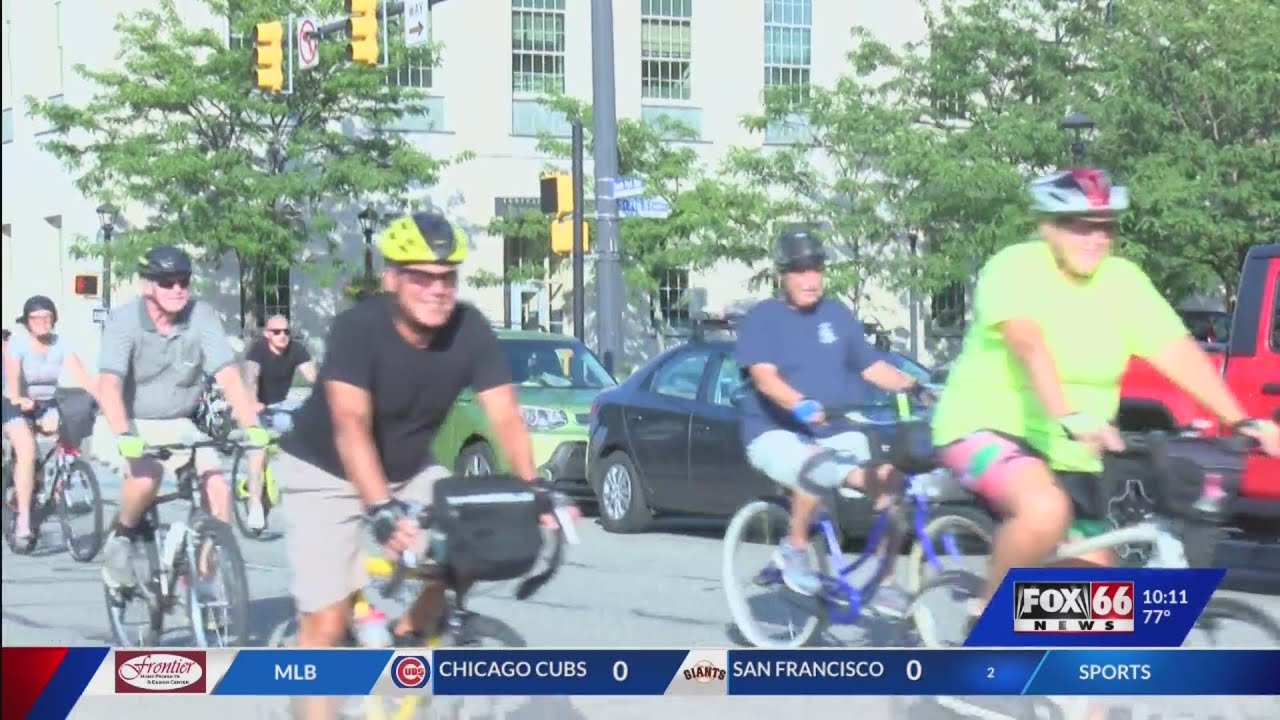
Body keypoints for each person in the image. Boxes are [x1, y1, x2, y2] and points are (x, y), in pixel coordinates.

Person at [930, 167, 1280, 632]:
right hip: (985, 427)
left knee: (1096, 607)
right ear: (1047, 225)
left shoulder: (1124, 281)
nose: (1095, 238)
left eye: (1106, 226)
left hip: (1072, 451)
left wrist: (1241, 422)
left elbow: (1179, 354)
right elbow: (1029, 344)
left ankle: (1077, 699)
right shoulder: (1014, 267)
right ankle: (984, 622)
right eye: (1079, 225)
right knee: (1043, 511)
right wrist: (1066, 413)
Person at [276, 211, 574, 719]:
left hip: (411, 469)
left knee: (474, 540)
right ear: (393, 278)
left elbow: (505, 415)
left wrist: (533, 490)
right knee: (325, 623)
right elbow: (351, 427)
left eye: (447, 277)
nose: (438, 290)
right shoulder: (358, 329)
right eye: (422, 277)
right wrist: (382, 511)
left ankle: (408, 635)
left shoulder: (470, 329)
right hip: (324, 473)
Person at [736, 225, 929, 611]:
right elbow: (764, 377)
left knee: (894, 482)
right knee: (817, 464)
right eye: (799, 270)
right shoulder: (764, 319)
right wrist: (800, 404)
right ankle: (794, 549)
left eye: (816, 269)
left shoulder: (837, 316)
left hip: (835, 429)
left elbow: (872, 367)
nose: (810, 278)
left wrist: (916, 387)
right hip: (774, 433)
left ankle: (885, 580)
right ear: (783, 276)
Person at [93, 245, 270, 591]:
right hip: (127, 422)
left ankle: (201, 588)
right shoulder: (124, 321)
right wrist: (125, 437)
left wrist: (252, 427)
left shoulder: (201, 316)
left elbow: (228, 375)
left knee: (218, 492)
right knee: (147, 478)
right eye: (167, 282)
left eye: (183, 281)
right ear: (147, 286)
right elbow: (109, 386)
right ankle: (122, 537)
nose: (177, 289)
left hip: (180, 423)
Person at [4, 296, 100, 543]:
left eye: (48, 317)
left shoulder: (61, 345)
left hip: (47, 403)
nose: (43, 322)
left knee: (70, 430)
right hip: (16, 403)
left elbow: (82, 376)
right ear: (27, 322)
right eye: (36, 317)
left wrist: (102, 396)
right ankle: (24, 520)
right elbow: (13, 379)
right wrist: (19, 398)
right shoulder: (17, 344)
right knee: (26, 451)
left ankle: (59, 484)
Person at [241, 313, 317, 530]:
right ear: (267, 334)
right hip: (253, 405)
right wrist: (254, 403)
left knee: (302, 440)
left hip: (280, 407)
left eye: (286, 332)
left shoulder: (296, 349)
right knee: (258, 449)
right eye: (277, 332)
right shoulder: (258, 350)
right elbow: (250, 379)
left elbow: (314, 379)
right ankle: (255, 504)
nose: (283, 336)